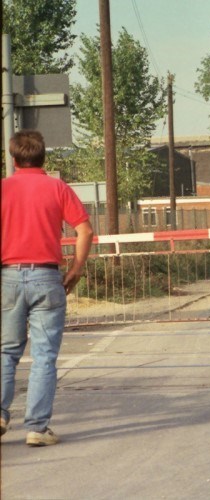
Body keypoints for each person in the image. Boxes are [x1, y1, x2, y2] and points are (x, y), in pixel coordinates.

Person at [1, 130, 94, 446]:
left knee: (6, 351)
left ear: (14, 160)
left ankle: (0, 414)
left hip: (8, 277)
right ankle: (37, 429)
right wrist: (76, 269)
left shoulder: (3, 189)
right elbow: (85, 230)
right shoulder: (57, 188)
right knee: (44, 355)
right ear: (43, 157)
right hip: (46, 277)